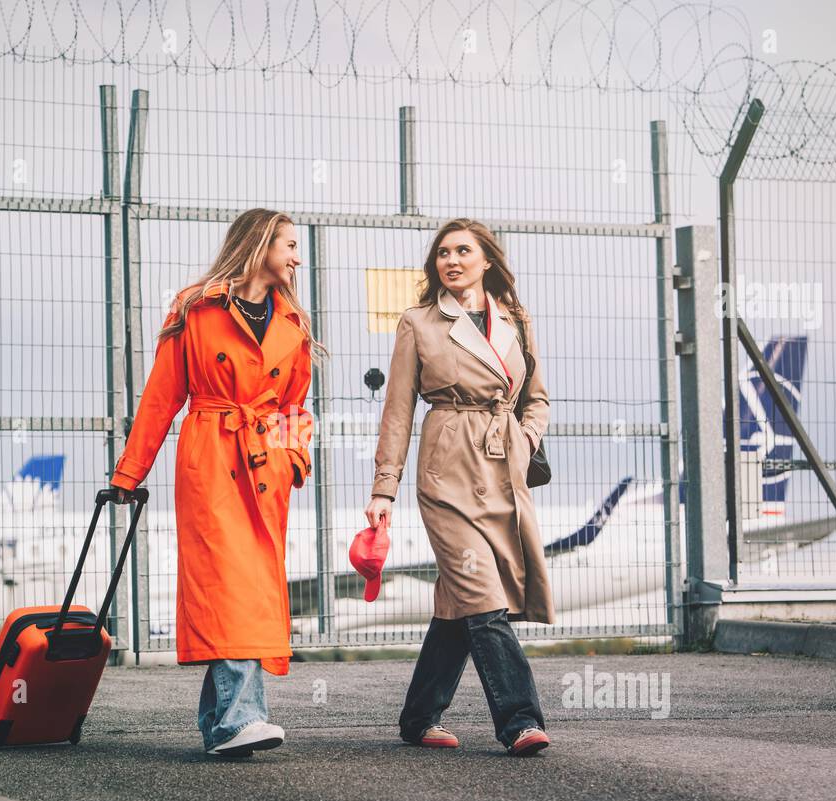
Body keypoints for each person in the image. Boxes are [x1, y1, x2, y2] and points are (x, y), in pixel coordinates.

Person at [108, 209, 324, 757]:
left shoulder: (293, 324)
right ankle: (239, 719)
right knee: (230, 585)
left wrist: (293, 458)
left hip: (264, 470)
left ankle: (220, 725)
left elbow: (296, 407)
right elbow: (162, 396)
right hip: (210, 455)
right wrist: (129, 473)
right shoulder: (195, 307)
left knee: (246, 591)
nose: (298, 258)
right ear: (259, 245)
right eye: (290, 245)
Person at [364, 218, 555, 756]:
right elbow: (397, 411)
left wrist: (525, 436)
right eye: (442, 253)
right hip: (445, 468)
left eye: (463, 251)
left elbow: (536, 396)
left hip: (502, 467)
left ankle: (419, 716)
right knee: (483, 595)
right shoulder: (418, 322)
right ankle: (519, 720)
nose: (451, 260)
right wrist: (384, 489)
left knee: (458, 604)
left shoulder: (515, 319)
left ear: (486, 260)